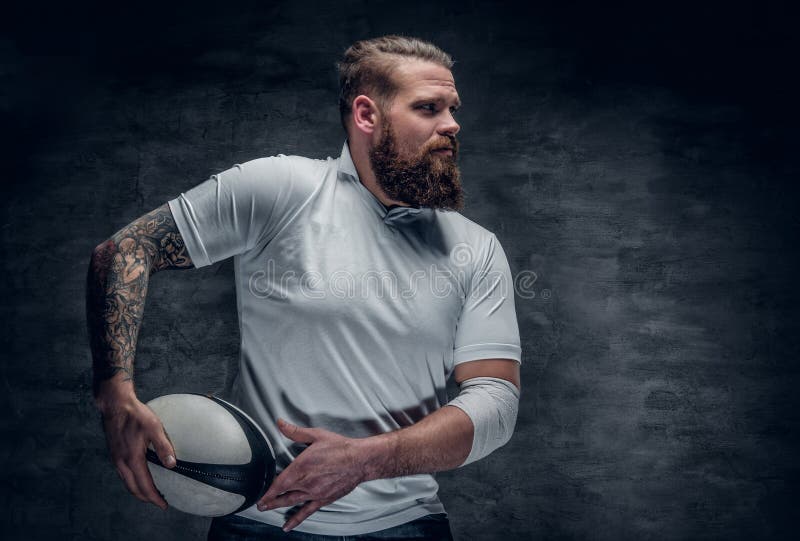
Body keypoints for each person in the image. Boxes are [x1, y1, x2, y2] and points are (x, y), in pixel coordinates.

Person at [87, 35, 522, 540]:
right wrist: (115, 397)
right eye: (429, 108)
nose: (452, 125)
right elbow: (125, 251)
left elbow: (496, 399)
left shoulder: (476, 248)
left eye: (452, 109)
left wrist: (369, 460)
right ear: (367, 115)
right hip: (256, 526)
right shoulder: (279, 189)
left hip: (406, 527)